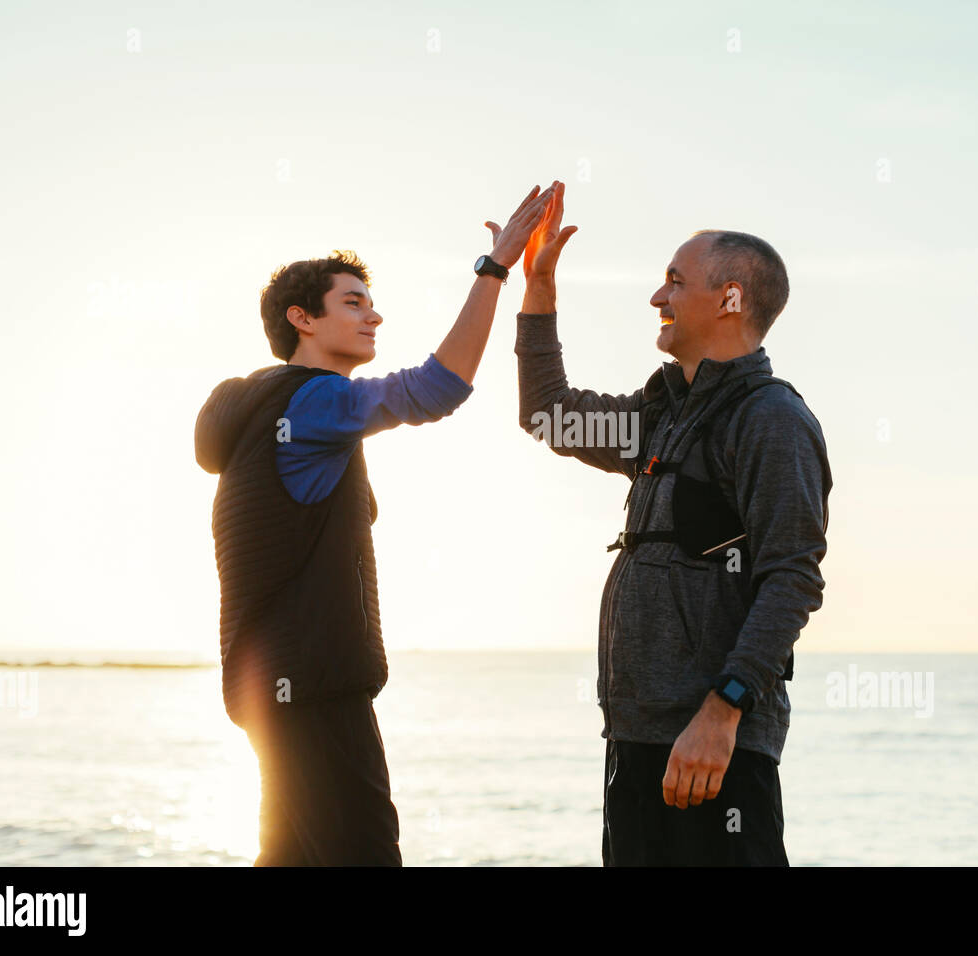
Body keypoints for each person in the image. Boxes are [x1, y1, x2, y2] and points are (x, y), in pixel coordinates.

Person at [193, 184, 554, 865]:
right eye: (352, 303)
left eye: (371, 302)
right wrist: (496, 268)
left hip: (274, 693)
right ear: (301, 319)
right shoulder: (314, 401)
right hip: (317, 692)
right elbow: (436, 387)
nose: (374, 316)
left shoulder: (264, 417)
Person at [512, 183, 832, 866]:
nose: (657, 298)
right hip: (636, 739)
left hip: (714, 748)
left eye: (673, 282)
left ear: (730, 299)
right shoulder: (662, 414)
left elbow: (792, 578)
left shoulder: (771, 419)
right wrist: (540, 288)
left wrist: (722, 713)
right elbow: (548, 414)